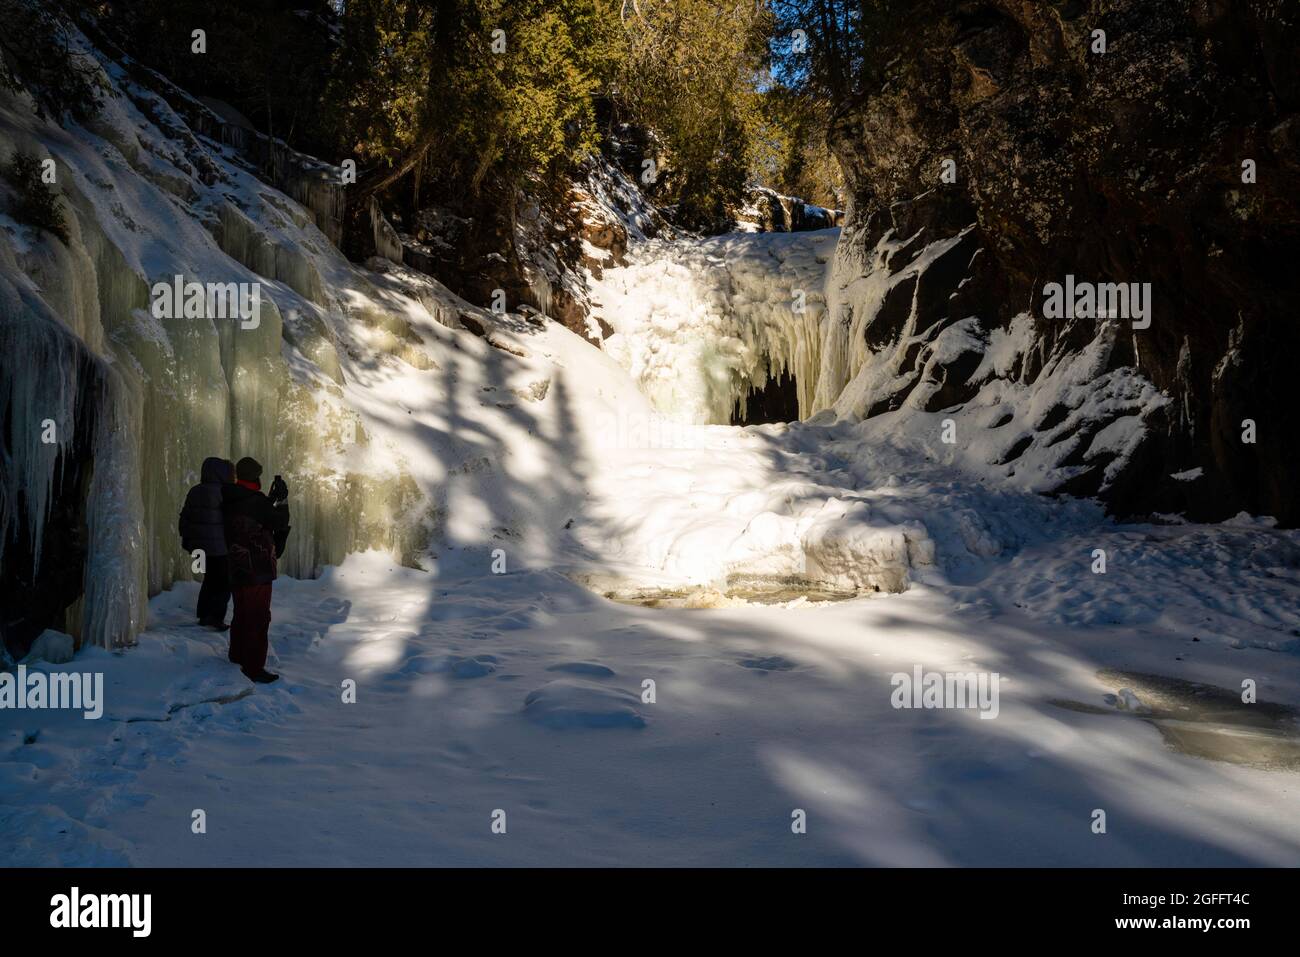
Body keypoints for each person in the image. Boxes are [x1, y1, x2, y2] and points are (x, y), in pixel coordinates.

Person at [222, 456, 291, 683]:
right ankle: (254, 667)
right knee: (258, 618)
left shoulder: (230, 497)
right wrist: (282, 501)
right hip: (257, 568)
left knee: (241, 613)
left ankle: (237, 655)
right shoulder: (256, 501)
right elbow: (278, 521)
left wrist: (268, 499)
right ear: (256, 477)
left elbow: (255, 513)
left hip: (236, 565)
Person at [178, 457, 235, 630]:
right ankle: (215, 618)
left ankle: (203, 614)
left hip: (198, 548)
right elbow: (230, 521)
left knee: (208, 580)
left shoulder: (195, 491)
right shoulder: (224, 492)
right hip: (219, 548)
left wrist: (188, 540)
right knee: (223, 583)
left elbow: (184, 518)